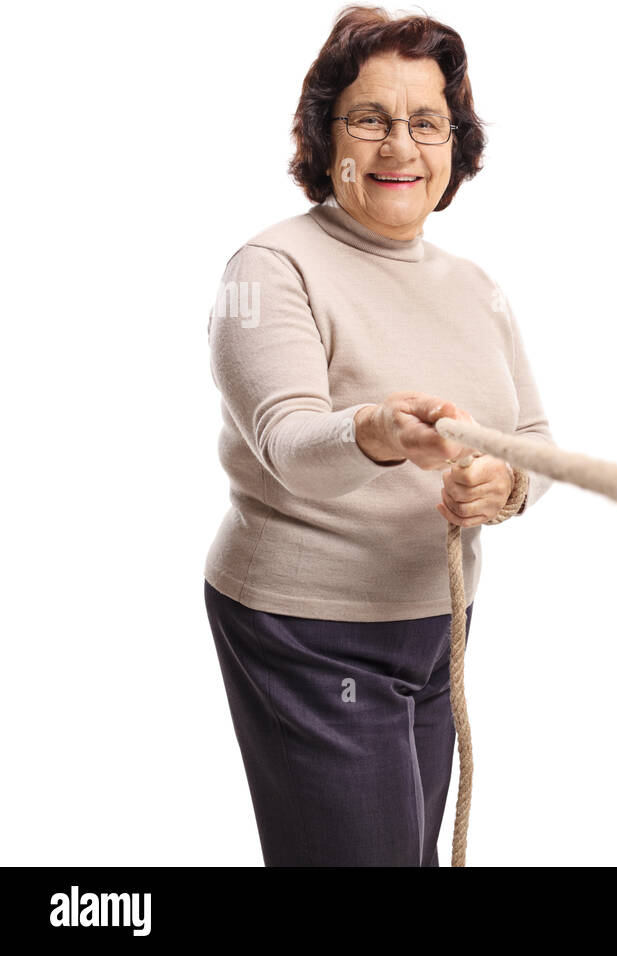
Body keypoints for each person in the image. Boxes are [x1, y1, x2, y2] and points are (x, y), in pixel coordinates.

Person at [203, 4, 555, 866]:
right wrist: (375, 430)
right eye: (370, 119)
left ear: (454, 147)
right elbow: (290, 449)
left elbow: (535, 437)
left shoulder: (477, 287)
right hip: (308, 629)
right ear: (327, 139)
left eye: (426, 122)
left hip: (440, 620)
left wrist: (505, 488)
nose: (401, 146)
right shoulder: (271, 268)